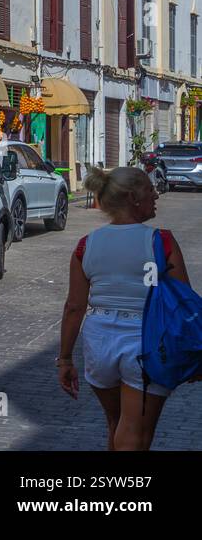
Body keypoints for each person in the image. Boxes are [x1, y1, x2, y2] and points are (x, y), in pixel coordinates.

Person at [57, 165, 192, 450]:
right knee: (135, 435)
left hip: (99, 341)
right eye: (149, 188)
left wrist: (65, 359)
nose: (155, 193)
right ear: (133, 197)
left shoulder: (86, 245)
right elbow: (183, 303)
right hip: (144, 342)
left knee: (117, 425)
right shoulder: (161, 241)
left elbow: (74, 307)